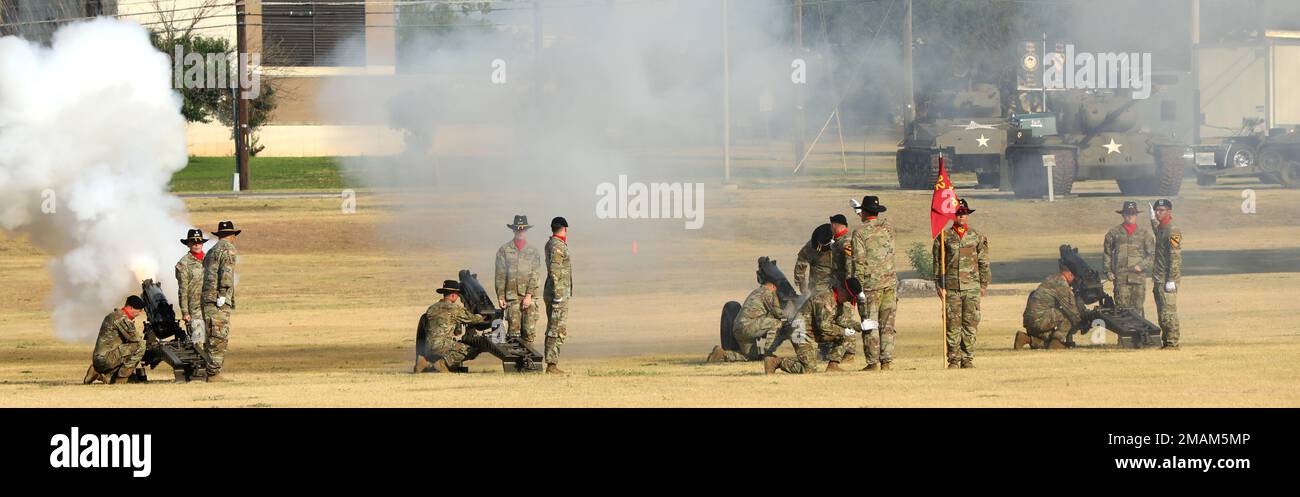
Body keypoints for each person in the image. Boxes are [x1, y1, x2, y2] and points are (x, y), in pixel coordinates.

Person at [763, 277, 864, 374]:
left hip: (814, 333)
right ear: (843, 290)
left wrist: (860, 326)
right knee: (809, 369)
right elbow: (823, 326)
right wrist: (843, 331)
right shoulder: (823, 298)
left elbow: (841, 319)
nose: (848, 300)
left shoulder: (838, 302)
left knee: (847, 335)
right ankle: (775, 362)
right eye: (849, 297)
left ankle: (833, 366)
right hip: (800, 332)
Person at [933, 199, 990, 369]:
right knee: (952, 324)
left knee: (970, 323)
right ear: (952, 215)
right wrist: (939, 285)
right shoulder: (944, 237)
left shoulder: (977, 237)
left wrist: (983, 284)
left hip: (972, 287)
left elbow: (984, 262)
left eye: (964, 213)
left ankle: (967, 358)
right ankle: (954, 359)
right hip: (951, 287)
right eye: (958, 213)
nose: (961, 216)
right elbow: (937, 263)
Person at [848, 195, 898, 371]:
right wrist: (861, 212)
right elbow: (876, 227)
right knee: (887, 325)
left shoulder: (859, 233)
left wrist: (857, 288)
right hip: (890, 283)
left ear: (864, 212)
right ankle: (887, 361)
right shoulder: (889, 229)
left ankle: (873, 362)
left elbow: (859, 262)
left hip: (870, 286)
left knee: (871, 325)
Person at [708, 262, 786, 363]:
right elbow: (778, 314)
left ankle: (722, 354)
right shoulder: (767, 293)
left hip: (739, 329)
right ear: (772, 286)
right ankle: (768, 355)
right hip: (748, 327)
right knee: (777, 323)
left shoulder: (756, 292)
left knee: (750, 357)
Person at [416, 280, 489, 372]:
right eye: (457, 295)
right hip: (442, 346)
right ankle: (442, 364)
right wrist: (483, 316)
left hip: (427, 347)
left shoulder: (431, 308)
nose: (458, 297)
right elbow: (472, 319)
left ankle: (423, 362)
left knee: (453, 346)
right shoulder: (454, 309)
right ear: (453, 295)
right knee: (471, 349)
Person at [495, 215, 543, 347]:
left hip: (529, 298)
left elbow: (535, 274)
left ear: (526, 231)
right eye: (517, 229)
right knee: (513, 333)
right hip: (511, 298)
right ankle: (515, 364)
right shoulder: (504, 250)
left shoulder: (533, 251)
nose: (520, 232)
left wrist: (529, 295)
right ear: (513, 230)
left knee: (529, 332)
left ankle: (529, 364)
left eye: (522, 230)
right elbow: (500, 274)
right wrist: (500, 296)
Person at [201, 220, 240, 382]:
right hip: (218, 299)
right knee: (219, 336)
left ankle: (207, 370)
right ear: (232, 236)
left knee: (210, 335)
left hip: (207, 298)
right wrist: (223, 293)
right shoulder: (228, 250)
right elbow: (226, 273)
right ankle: (214, 374)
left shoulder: (211, 251)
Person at [1103, 201, 1154, 320]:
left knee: (1138, 310)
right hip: (1121, 280)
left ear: (1136, 215)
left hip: (1138, 279)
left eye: (1132, 213)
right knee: (1122, 310)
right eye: (1127, 213)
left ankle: (1140, 337)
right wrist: (1108, 271)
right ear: (1122, 215)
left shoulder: (1144, 234)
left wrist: (1142, 265)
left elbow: (1152, 255)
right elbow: (1107, 253)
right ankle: (1124, 338)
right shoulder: (1113, 233)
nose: (1130, 216)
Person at [1015, 260, 1083, 350]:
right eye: (1073, 276)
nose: (1074, 279)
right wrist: (1081, 322)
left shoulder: (1051, 279)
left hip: (1030, 321)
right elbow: (1072, 311)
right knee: (1068, 316)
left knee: (1047, 342)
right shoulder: (1061, 285)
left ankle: (1025, 339)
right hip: (1039, 320)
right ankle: (1057, 342)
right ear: (1069, 274)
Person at [83, 296, 148, 384]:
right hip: (107, 358)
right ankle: (121, 379)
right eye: (139, 310)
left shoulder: (115, 315)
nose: (140, 313)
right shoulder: (121, 319)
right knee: (140, 346)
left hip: (101, 359)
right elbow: (135, 340)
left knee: (129, 379)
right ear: (130, 307)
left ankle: (97, 372)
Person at [1150, 199, 1182, 349]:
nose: (1158, 212)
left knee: (1169, 312)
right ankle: (1166, 341)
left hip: (1167, 279)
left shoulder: (1172, 230)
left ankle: (1172, 342)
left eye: (1161, 210)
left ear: (1169, 211)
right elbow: (1158, 233)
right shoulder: (1162, 227)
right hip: (1159, 278)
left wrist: (1171, 280)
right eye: (1156, 210)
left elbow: (1175, 257)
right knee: (1162, 312)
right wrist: (1152, 220)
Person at [543, 216, 572, 374]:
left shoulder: (552, 244)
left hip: (554, 292)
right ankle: (551, 364)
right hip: (557, 293)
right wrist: (559, 294)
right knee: (556, 328)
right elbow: (555, 272)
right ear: (565, 229)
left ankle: (552, 363)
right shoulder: (557, 246)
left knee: (555, 327)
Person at [175, 229, 207, 346]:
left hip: (211, 306)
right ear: (188, 244)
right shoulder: (184, 263)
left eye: (199, 242)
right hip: (195, 308)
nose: (197, 244)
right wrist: (185, 312)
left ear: (202, 243)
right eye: (193, 242)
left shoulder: (210, 259)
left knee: (213, 341)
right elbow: (182, 290)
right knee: (198, 341)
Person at [793, 223, 835, 294]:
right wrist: (803, 287)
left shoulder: (842, 244)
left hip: (838, 289)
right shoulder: (811, 246)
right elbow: (800, 264)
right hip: (817, 290)